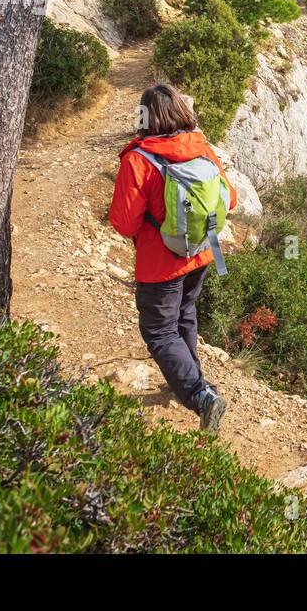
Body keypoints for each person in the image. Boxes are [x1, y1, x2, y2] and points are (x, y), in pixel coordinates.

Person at [109, 84, 235, 432]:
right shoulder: (201, 149)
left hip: (160, 263)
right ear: (180, 111)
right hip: (203, 251)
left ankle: (200, 395)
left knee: (159, 331)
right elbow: (231, 199)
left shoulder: (139, 159)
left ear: (144, 117)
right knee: (185, 314)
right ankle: (191, 381)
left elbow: (124, 220)